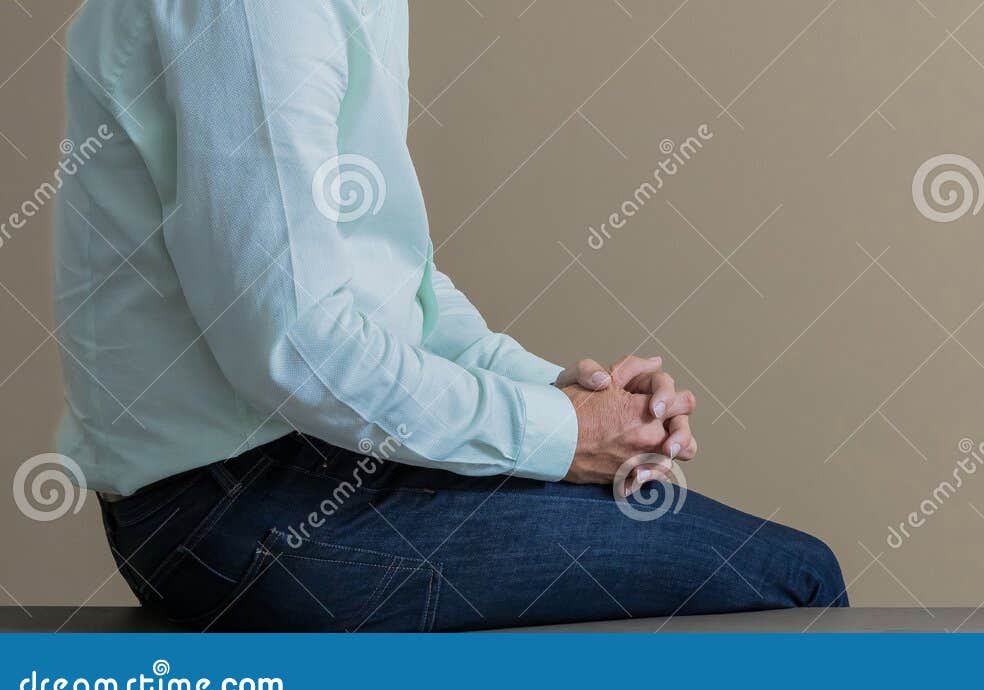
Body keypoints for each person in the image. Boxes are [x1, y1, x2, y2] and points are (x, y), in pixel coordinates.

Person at [54, 0, 845, 631]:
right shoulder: (256, 12)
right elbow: (297, 346)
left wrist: (580, 403)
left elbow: (395, 291)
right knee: (801, 583)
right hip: (245, 508)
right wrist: (564, 434)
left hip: (312, 465)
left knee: (780, 570)